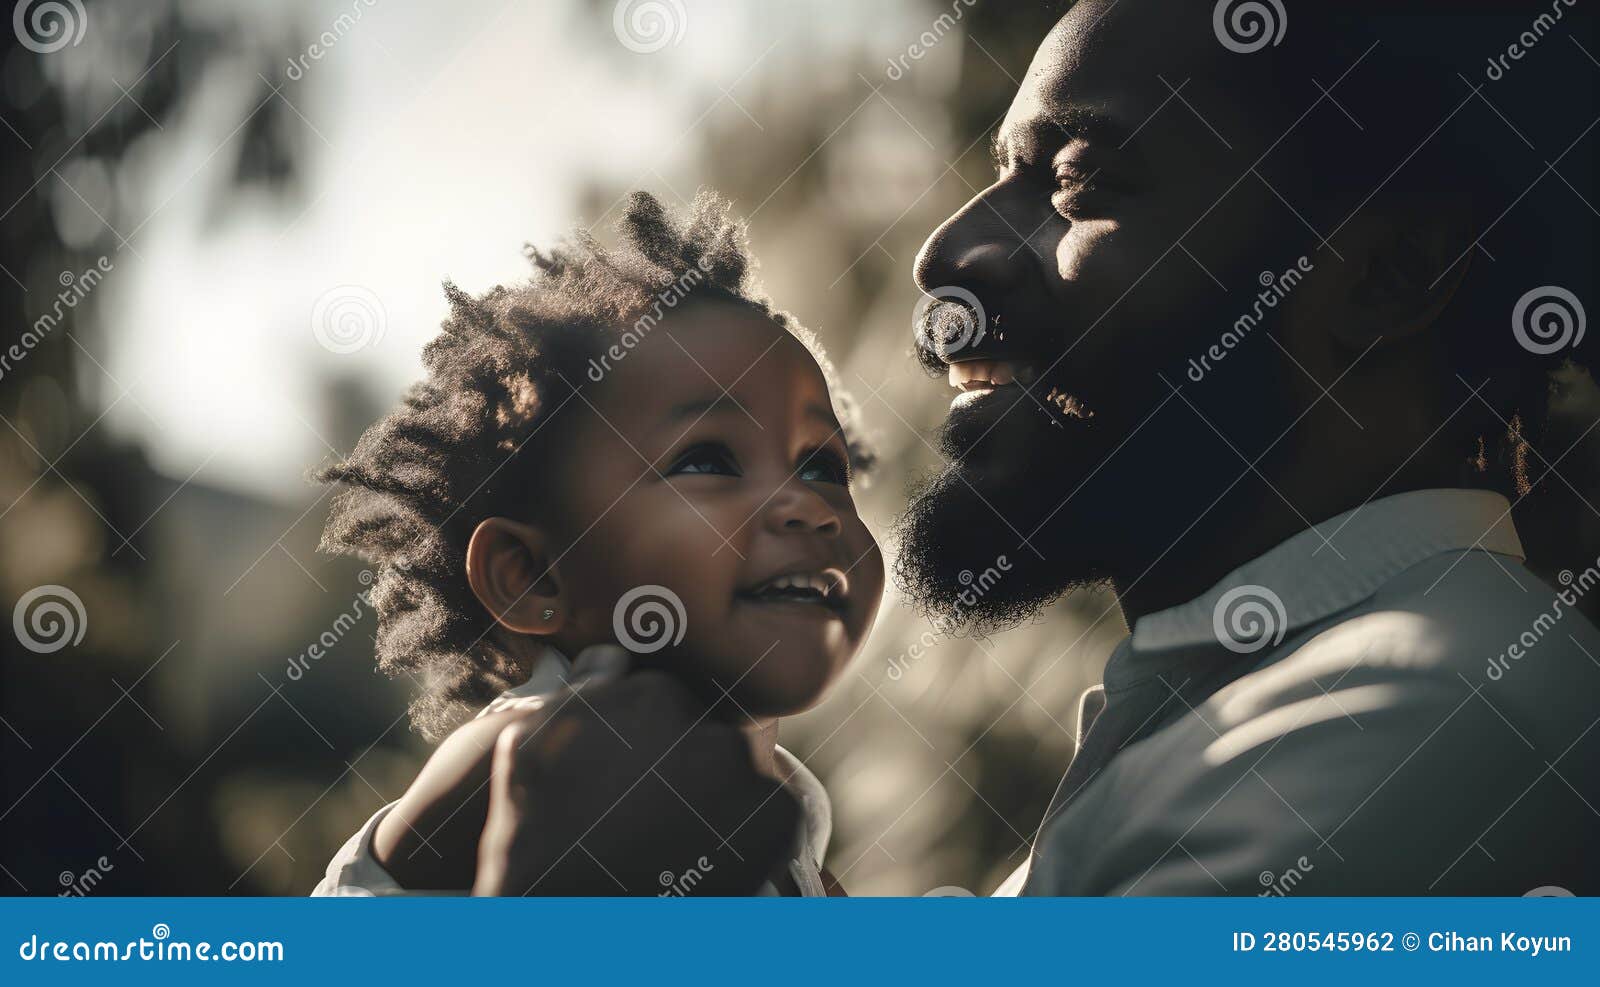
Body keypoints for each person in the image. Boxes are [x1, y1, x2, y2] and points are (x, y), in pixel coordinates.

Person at [468, 0, 1598, 896]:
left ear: (1388, 275)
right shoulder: (1217, 704)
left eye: (1079, 180)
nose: (945, 251)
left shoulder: (1435, 705)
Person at [309, 190, 884, 895]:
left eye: (823, 467)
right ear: (531, 576)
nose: (808, 507)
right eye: (706, 460)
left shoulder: (792, 835)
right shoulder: (519, 753)